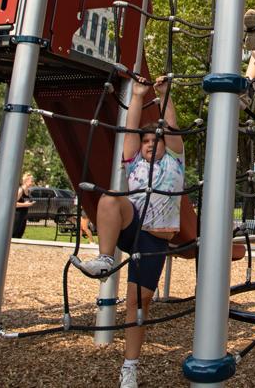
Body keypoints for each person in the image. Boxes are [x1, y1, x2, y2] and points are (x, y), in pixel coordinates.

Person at [72, 75, 184, 388]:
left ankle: (130, 366)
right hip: (130, 226)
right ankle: (106, 258)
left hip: (154, 238)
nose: (149, 145)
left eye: (155, 141)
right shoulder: (133, 163)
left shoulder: (175, 161)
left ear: (165, 145)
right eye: (145, 141)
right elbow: (129, 131)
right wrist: (136, 95)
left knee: (137, 304)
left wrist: (164, 96)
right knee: (110, 198)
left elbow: (172, 129)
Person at [12, 173, 35, 239]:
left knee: (20, 235)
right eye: (31, 181)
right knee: (14, 235)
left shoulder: (28, 191)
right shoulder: (20, 190)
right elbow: (14, 204)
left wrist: (30, 203)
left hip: (23, 216)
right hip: (17, 216)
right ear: (26, 181)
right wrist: (26, 204)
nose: (32, 183)